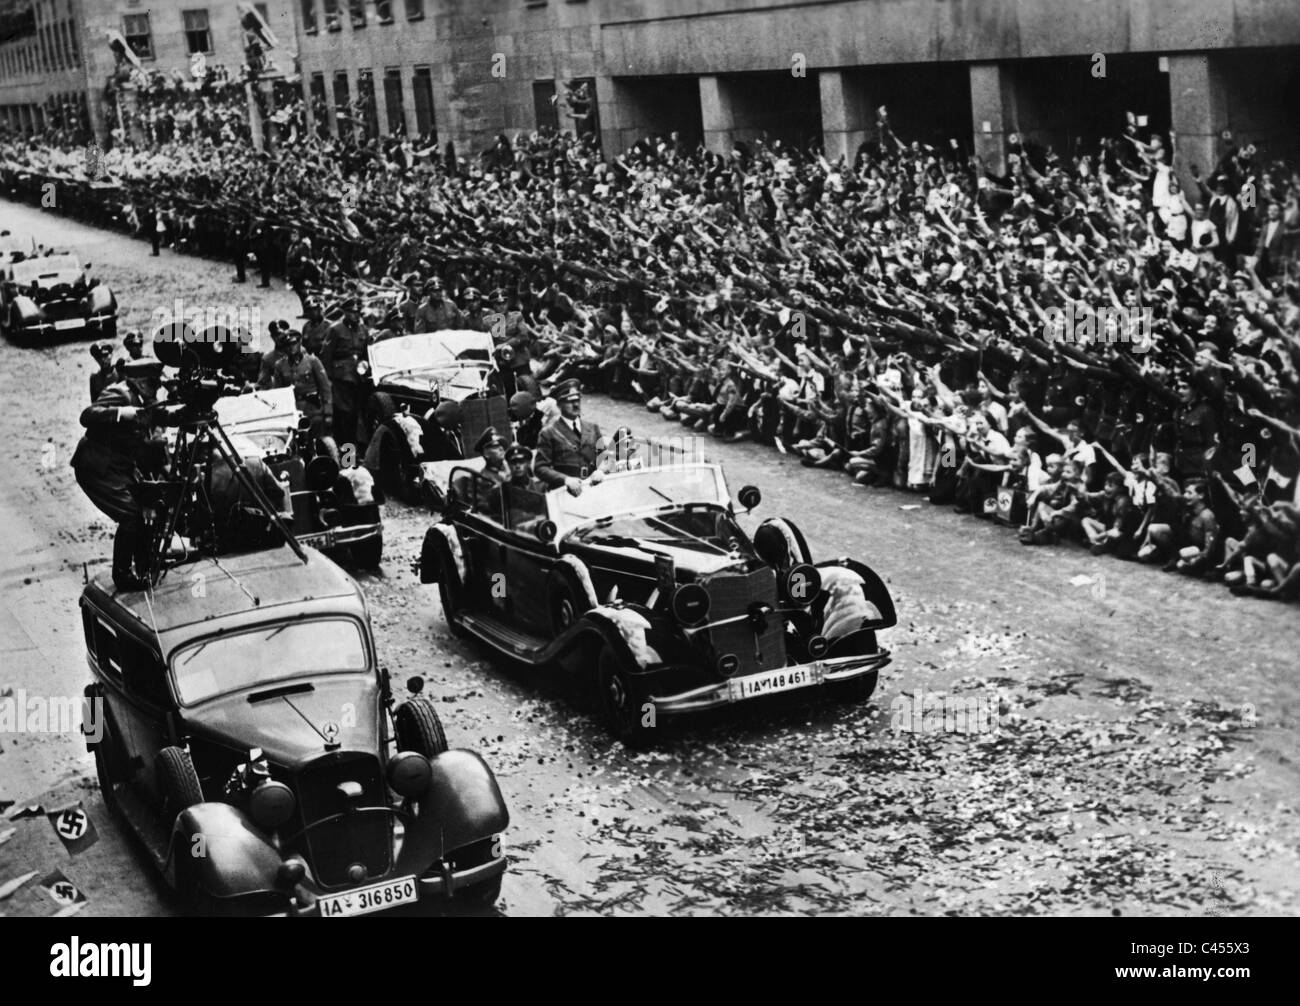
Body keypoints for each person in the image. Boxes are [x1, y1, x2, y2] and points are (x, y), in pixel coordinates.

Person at [70, 358, 166, 591]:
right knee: (131, 515)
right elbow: (88, 415)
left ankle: (144, 565)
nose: (156, 390)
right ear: (140, 382)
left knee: (151, 508)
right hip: (97, 467)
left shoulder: (144, 399)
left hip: (120, 465)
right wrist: (122, 413)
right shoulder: (121, 393)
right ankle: (122, 576)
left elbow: (160, 417)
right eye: (153, 384)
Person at [259, 329, 333, 441]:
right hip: (293, 409)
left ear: (300, 342)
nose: (291, 347)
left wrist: (328, 413)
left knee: (320, 440)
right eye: (287, 345)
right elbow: (278, 392)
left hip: (313, 409)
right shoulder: (280, 365)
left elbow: (325, 388)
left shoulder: (312, 361)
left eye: (294, 343)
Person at [533, 379, 603, 495]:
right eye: (570, 402)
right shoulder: (548, 433)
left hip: (593, 490)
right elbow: (540, 468)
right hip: (565, 492)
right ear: (560, 405)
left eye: (577, 400)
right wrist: (565, 479)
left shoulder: (593, 428)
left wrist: (601, 470)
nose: (575, 405)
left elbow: (604, 456)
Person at [320, 298, 370, 449]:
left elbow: (367, 353)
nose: (356, 315)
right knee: (345, 416)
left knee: (357, 415)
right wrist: (328, 381)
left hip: (359, 377)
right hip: (341, 379)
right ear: (345, 313)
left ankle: (356, 449)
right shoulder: (335, 329)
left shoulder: (363, 329)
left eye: (357, 312)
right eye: (352, 312)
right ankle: (347, 456)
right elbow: (326, 356)